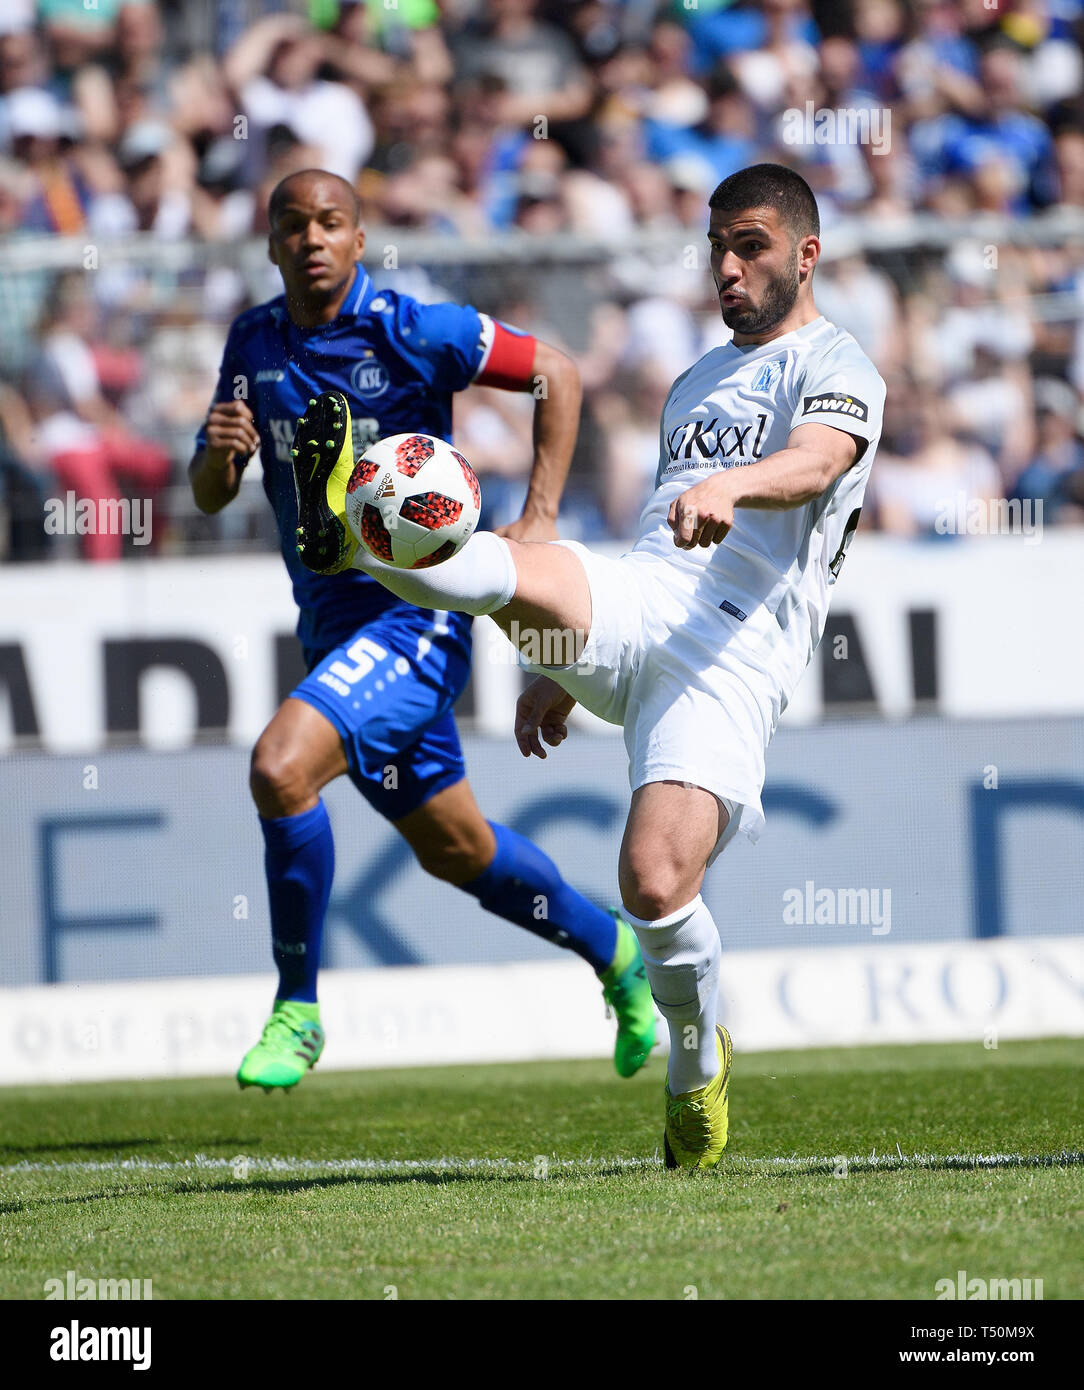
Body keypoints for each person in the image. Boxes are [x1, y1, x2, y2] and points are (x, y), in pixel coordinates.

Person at [292, 163, 887, 1168]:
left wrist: (737, 485)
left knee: (653, 883)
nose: (728, 268)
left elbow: (819, 461)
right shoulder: (694, 380)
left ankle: (696, 1065)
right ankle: (352, 533)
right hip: (637, 599)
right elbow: (664, 524)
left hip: (733, 649)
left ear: (804, 253)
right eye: (716, 249)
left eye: (749, 246)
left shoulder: (834, 361)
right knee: (510, 576)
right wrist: (561, 670)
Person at [188, 167, 655, 1092]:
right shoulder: (251, 341)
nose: (312, 238)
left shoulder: (409, 329)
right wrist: (217, 454)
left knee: (281, 767)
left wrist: (540, 517)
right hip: (331, 633)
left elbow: (555, 371)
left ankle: (298, 1010)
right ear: (272, 242)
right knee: (459, 851)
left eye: (331, 222)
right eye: (293, 225)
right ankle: (618, 954)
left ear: (359, 240)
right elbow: (210, 494)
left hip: (419, 624)